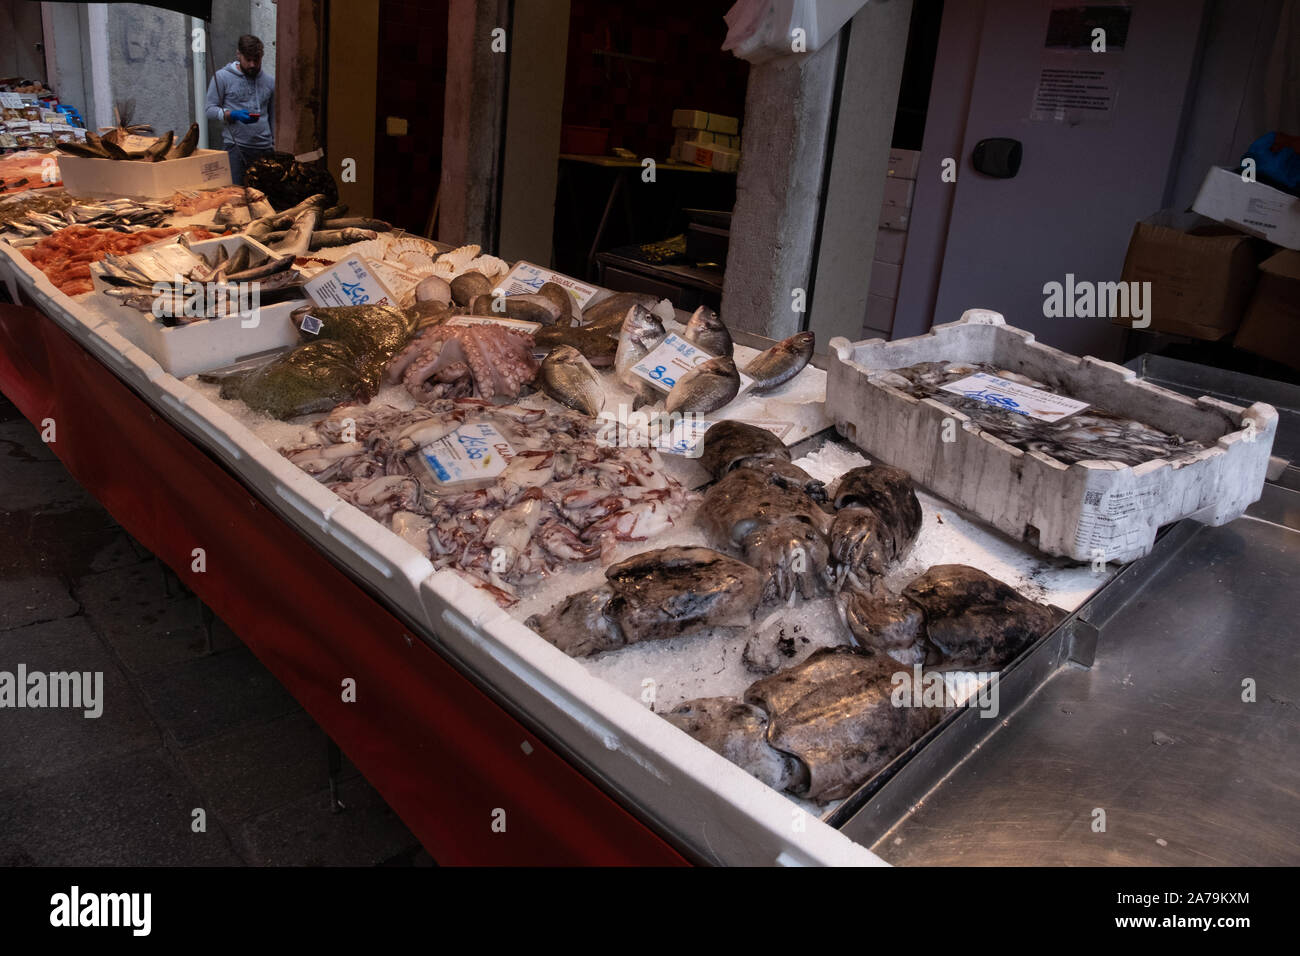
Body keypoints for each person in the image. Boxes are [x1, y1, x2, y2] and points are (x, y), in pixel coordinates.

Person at [205, 34, 275, 185]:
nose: (252, 65)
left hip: (265, 149)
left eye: (256, 60)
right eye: (248, 60)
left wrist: (274, 143)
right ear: (239, 55)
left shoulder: (270, 82)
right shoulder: (222, 77)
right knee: (237, 195)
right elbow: (209, 110)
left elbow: (273, 116)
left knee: (265, 196)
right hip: (236, 148)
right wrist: (232, 114)